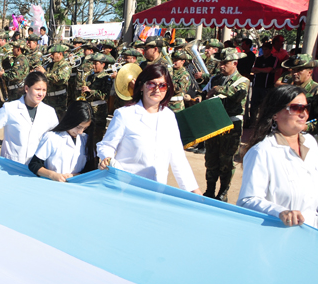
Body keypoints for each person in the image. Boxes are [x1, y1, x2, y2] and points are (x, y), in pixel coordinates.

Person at [97, 64, 201, 194]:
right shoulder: (124, 114)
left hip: (157, 192)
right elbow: (107, 145)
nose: (157, 90)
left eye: (162, 85)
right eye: (152, 84)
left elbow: (177, 157)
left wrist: (193, 190)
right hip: (126, 189)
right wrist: (107, 157)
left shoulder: (169, 116)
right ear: (141, 86)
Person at [237, 85, 318, 227]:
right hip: (277, 233)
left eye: (306, 108)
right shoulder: (262, 151)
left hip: (311, 233)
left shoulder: (311, 143)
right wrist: (280, 212)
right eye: (296, 108)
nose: (303, 114)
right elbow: (246, 201)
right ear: (275, 114)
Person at [201, 48, 250, 201]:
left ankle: (223, 192)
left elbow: (237, 95)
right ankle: (209, 189)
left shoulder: (243, 80)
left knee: (226, 160)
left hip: (231, 124)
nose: (221, 66)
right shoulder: (215, 79)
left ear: (234, 63)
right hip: (214, 122)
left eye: (225, 63)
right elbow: (204, 93)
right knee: (211, 157)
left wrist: (218, 89)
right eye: (220, 63)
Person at [0, 72, 58, 164]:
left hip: (37, 168)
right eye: (37, 89)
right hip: (11, 164)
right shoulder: (10, 108)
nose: (41, 93)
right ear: (27, 88)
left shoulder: (49, 112)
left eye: (44, 90)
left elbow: (55, 139)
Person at [29, 102, 97, 181]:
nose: (80, 132)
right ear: (71, 120)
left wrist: (76, 175)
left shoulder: (85, 139)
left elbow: (90, 168)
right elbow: (34, 164)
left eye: (84, 128)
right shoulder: (52, 137)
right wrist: (53, 175)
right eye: (78, 127)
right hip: (52, 183)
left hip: (77, 184)